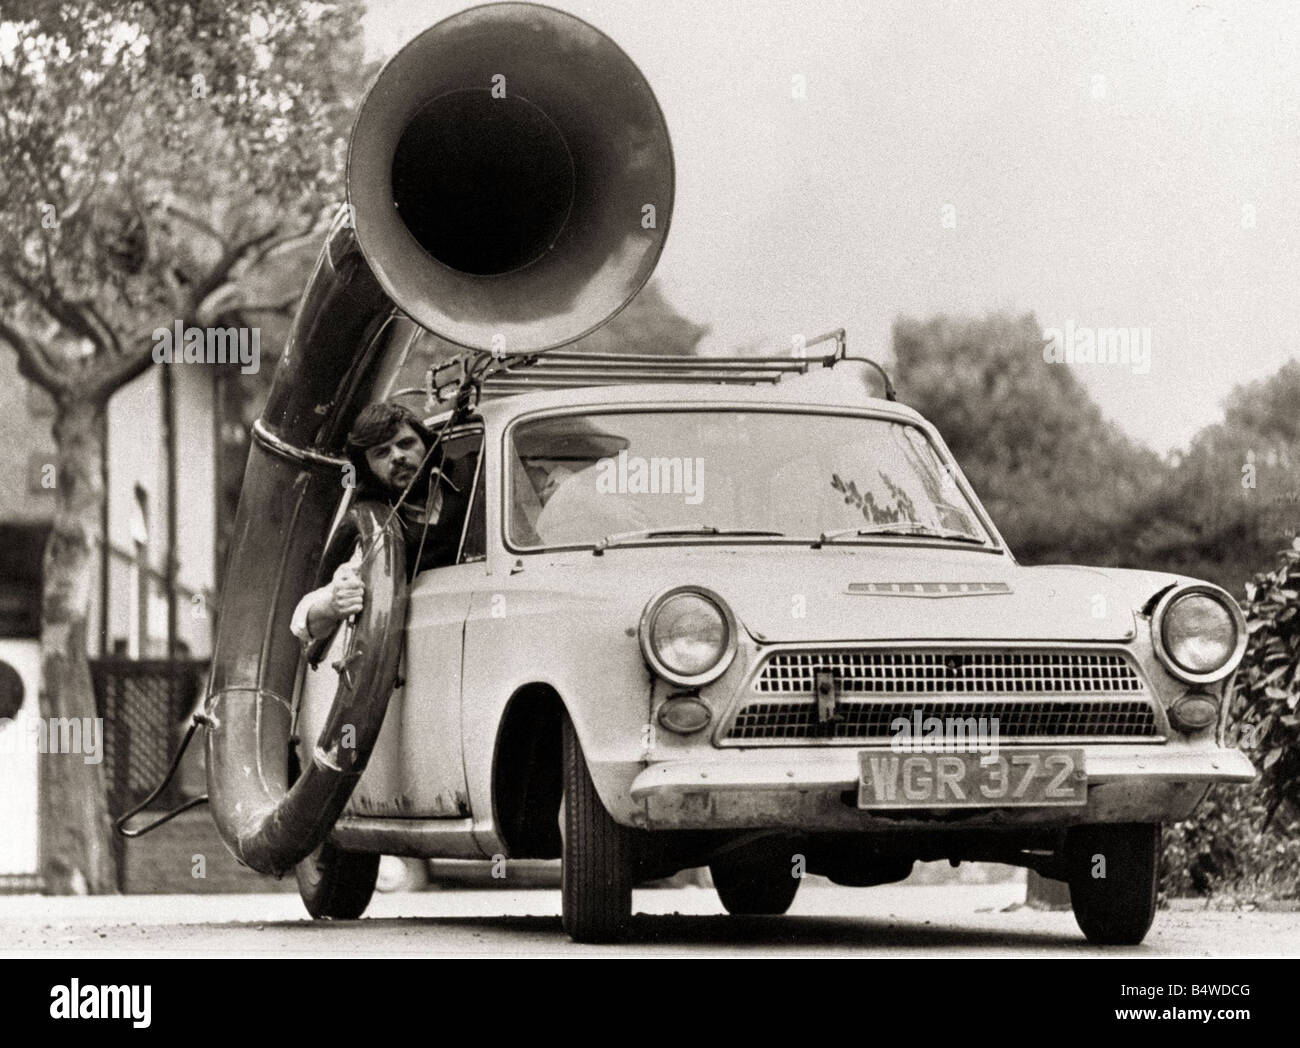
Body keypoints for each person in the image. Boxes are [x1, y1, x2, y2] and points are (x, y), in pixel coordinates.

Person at [290, 401, 473, 644]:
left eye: (406, 444)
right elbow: (303, 619)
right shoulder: (372, 525)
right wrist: (333, 604)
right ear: (367, 469)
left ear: (426, 443)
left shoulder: (474, 471)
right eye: (381, 453)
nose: (398, 457)